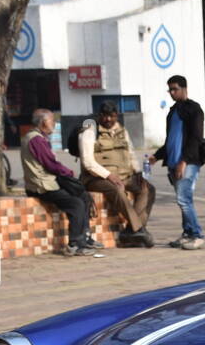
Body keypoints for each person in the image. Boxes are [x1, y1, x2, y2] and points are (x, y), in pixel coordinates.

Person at [78, 101, 154, 246]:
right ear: (99, 116)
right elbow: (87, 162)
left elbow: (130, 152)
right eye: (105, 116)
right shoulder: (89, 131)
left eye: (112, 116)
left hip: (123, 175)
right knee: (117, 189)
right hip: (96, 178)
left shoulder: (121, 130)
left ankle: (131, 232)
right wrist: (108, 175)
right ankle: (138, 229)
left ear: (116, 116)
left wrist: (138, 172)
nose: (108, 120)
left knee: (148, 189)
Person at [21, 108, 95, 256]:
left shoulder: (36, 137)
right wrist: (68, 173)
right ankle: (75, 243)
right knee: (76, 204)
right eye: (51, 121)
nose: (54, 124)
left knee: (83, 195)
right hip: (42, 185)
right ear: (43, 123)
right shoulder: (36, 139)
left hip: (47, 181)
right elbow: (51, 164)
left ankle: (84, 238)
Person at [153, 74, 205, 249]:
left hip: (188, 162)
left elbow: (196, 138)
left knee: (184, 199)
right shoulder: (173, 112)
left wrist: (183, 161)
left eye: (175, 89)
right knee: (183, 199)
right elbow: (171, 140)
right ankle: (188, 233)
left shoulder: (194, 110)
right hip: (173, 162)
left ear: (184, 89)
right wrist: (157, 156)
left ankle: (197, 235)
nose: (171, 92)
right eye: (170, 89)